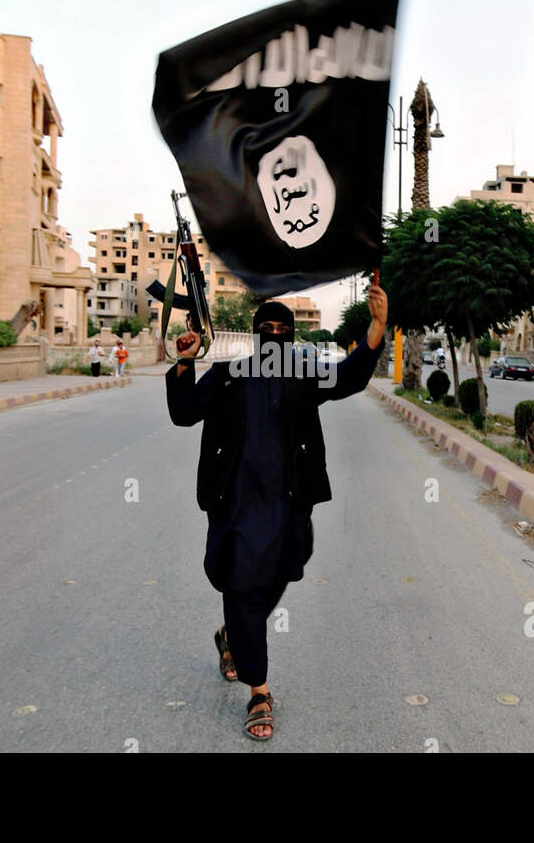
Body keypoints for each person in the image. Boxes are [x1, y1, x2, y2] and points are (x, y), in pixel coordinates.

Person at [166, 286, 388, 741]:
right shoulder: (229, 376)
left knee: (285, 568)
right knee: (244, 586)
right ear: (254, 337)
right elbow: (184, 412)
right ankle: (260, 691)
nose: (274, 336)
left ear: (291, 337)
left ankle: (233, 635)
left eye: (282, 331)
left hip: (289, 507)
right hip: (236, 508)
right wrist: (185, 362)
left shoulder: (304, 376)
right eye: (266, 331)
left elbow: (349, 377)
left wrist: (377, 328)